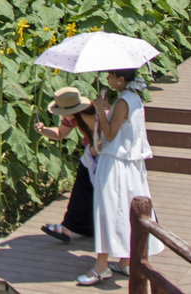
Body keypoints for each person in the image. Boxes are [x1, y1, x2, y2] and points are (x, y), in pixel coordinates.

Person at [78, 68, 163, 286]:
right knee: (125, 209)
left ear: (121, 79)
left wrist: (99, 109)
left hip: (116, 162)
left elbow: (110, 133)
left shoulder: (123, 102)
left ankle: (102, 265)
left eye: (110, 76)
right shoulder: (133, 98)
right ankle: (125, 260)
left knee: (106, 209)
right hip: (131, 164)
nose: (107, 79)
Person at [34, 87, 99, 242]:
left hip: (107, 154)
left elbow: (105, 139)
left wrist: (93, 150)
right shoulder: (73, 118)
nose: (60, 115)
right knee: (84, 188)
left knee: (85, 188)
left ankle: (71, 228)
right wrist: (43, 130)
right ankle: (78, 227)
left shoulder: (95, 116)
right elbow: (60, 133)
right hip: (93, 153)